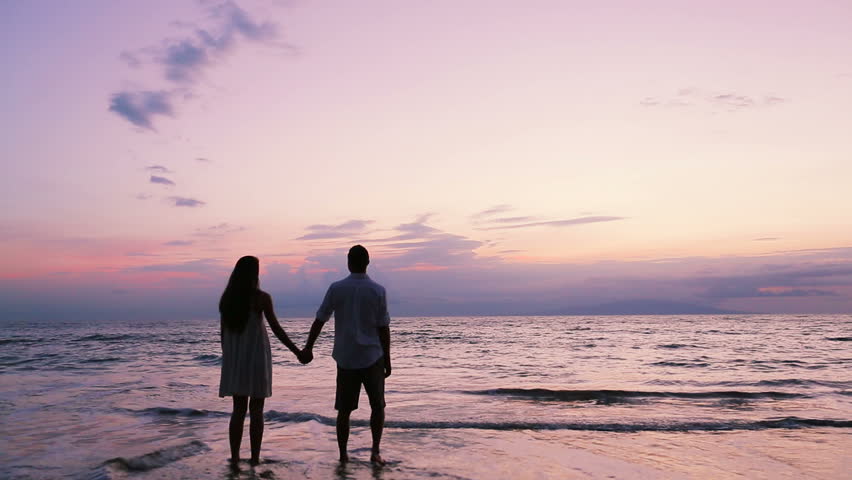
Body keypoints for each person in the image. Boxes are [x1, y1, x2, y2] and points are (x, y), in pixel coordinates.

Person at [302, 245, 392, 465]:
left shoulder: (336, 288)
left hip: (346, 357)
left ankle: (343, 455)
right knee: (377, 406)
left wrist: (308, 347)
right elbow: (383, 327)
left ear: (348, 263)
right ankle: (375, 451)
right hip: (372, 356)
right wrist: (388, 359)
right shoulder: (378, 290)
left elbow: (320, 320)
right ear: (368, 262)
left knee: (344, 409)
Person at [218, 255, 306, 466]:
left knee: (238, 410)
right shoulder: (261, 298)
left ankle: (236, 458)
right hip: (256, 356)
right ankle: (255, 459)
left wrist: (229, 360)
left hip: (236, 359)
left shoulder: (227, 299)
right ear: (254, 274)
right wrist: (297, 351)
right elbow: (276, 329)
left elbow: (223, 335)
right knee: (256, 409)